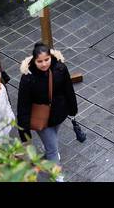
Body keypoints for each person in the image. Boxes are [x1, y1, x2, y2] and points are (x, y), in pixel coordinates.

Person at [16, 43, 77, 177]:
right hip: (41, 119)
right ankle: (57, 176)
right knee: (52, 150)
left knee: (52, 140)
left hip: (59, 113)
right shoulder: (28, 77)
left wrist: (73, 109)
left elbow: (68, 89)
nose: (44, 64)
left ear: (51, 57)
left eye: (46, 60)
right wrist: (24, 130)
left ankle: (49, 151)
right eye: (40, 61)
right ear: (34, 60)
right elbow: (23, 105)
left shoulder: (60, 68)